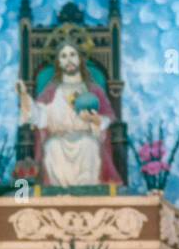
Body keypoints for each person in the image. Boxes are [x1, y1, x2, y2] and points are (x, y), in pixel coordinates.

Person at [17, 41, 120, 187]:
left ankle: (87, 194)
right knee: (53, 146)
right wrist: (23, 95)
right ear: (59, 62)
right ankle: (59, 194)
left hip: (86, 137)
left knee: (88, 145)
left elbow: (108, 117)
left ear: (79, 59)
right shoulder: (51, 91)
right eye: (64, 56)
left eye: (72, 54)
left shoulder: (93, 89)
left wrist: (95, 120)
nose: (69, 59)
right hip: (59, 138)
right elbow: (38, 115)